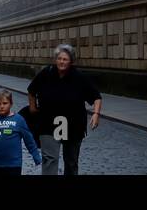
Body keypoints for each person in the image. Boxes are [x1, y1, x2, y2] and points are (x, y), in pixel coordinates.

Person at [27, 44, 101, 176]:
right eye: (59, 58)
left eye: (65, 59)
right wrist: (32, 108)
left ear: (71, 61)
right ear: (55, 59)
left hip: (73, 124)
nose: (61, 62)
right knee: (50, 159)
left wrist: (96, 113)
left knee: (71, 161)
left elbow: (96, 97)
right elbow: (31, 90)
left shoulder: (79, 77)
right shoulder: (47, 73)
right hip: (48, 123)